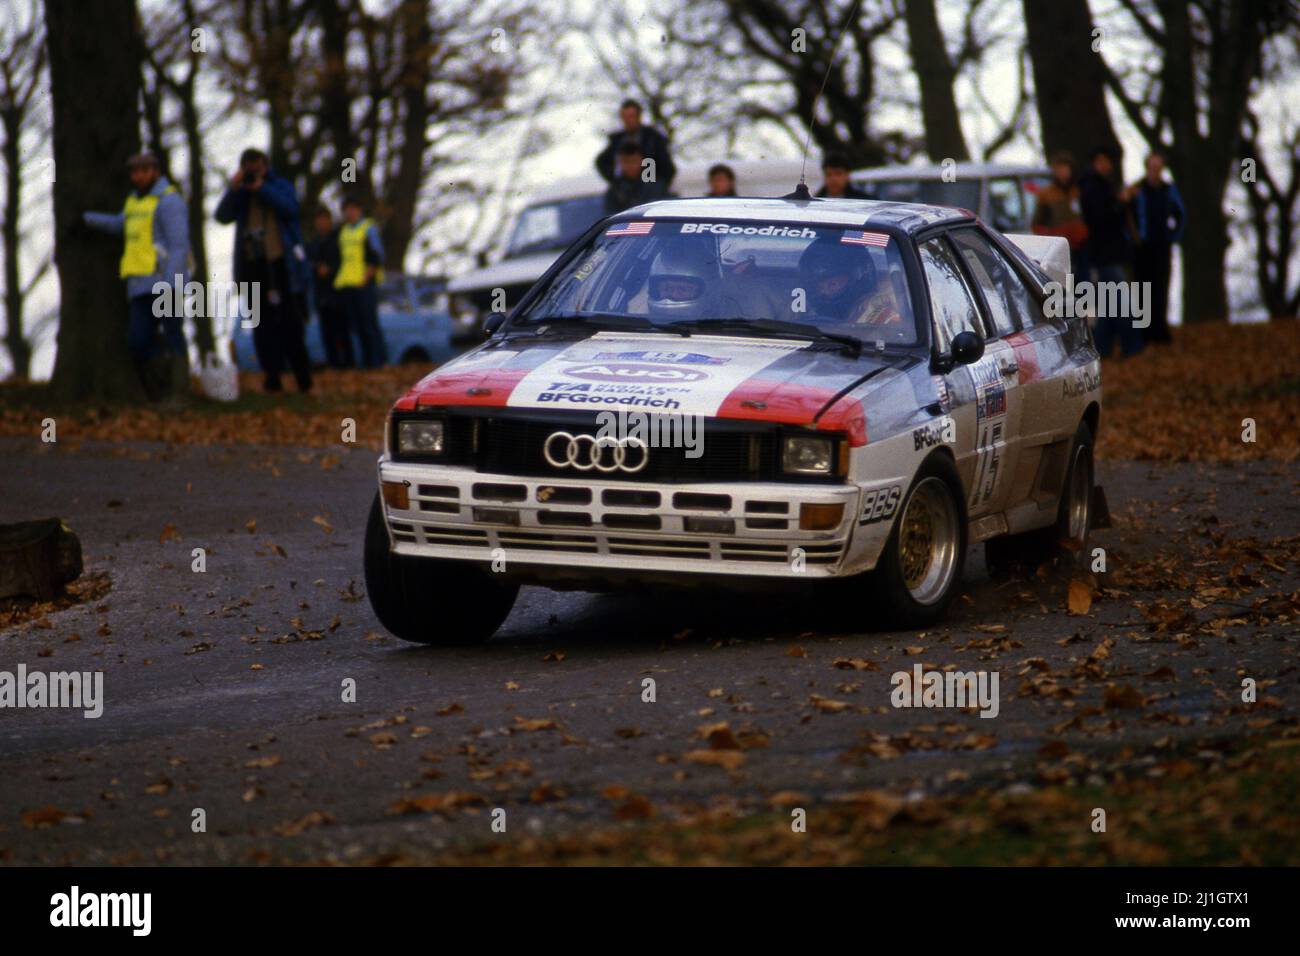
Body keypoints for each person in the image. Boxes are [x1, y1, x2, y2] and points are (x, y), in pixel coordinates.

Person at [83, 152, 190, 400]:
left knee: (173, 334)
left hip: (166, 283)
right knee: (138, 341)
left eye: (143, 171)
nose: (138, 177)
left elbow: (179, 245)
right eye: (134, 172)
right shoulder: (133, 201)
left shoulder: (169, 201)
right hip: (140, 284)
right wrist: (87, 219)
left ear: (155, 171)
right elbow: (119, 224)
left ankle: (178, 395)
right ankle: (162, 389)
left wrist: (172, 283)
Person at [215, 147, 312, 393]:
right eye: (247, 166)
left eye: (256, 165)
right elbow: (221, 216)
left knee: (290, 321)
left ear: (265, 165)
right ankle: (272, 376)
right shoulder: (241, 195)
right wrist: (233, 188)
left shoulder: (279, 185)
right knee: (261, 323)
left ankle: (302, 377)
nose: (252, 171)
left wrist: (263, 188)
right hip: (252, 265)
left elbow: (291, 209)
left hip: (280, 264)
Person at [1079, 146, 1141, 357]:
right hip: (1105, 254)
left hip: (1108, 253)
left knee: (1108, 305)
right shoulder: (1093, 188)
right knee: (1120, 302)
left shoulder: (1102, 186)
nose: (1106, 165)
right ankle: (1131, 346)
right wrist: (1120, 203)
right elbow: (1100, 219)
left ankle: (1103, 348)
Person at [1127, 152, 1185, 345]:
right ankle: (1143, 333)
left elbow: (1180, 216)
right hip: (1141, 248)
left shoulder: (1169, 190)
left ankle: (1160, 331)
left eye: (1158, 167)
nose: (1155, 171)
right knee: (1142, 289)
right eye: (1152, 167)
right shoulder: (1136, 189)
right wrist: (1133, 240)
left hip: (1162, 246)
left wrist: (1172, 236)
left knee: (1161, 287)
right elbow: (1126, 216)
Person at [333, 196, 387, 368]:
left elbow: (377, 255)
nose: (349, 212)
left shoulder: (368, 228)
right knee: (358, 327)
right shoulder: (344, 231)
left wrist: (366, 277)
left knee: (369, 325)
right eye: (346, 209)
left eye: (352, 208)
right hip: (348, 284)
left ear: (359, 210)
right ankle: (367, 362)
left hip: (364, 283)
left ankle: (377, 362)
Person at [595, 99, 676, 191]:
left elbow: (668, 168)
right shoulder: (618, 140)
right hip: (626, 190)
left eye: (631, 116)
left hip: (650, 188)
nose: (628, 120)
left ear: (639, 117)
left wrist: (658, 186)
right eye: (624, 117)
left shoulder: (653, 138)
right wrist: (616, 181)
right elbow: (601, 162)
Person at [1031, 151, 1089, 280]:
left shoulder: (1079, 190)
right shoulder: (1046, 194)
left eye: (1065, 169)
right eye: (1059, 169)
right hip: (1060, 248)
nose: (1062, 173)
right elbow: (1037, 223)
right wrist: (1049, 240)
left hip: (1081, 245)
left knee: (1084, 282)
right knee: (1065, 282)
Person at [306, 207, 352, 368]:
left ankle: (347, 363)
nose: (321, 223)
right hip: (321, 293)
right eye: (319, 220)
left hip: (338, 292)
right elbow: (307, 262)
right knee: (327, 332)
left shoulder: (339, 240)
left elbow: (345, 261)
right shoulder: (313, 243)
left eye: (325, 219)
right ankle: (334, 364)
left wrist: (330, 269)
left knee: (342, 331)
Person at [603, 142, 669, 215]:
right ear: (619, 163)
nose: (630, 166)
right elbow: (610, 216)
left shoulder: (655, 186)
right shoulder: (615, 189)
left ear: (642, 161)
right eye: (625, 162)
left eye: (633, 161)